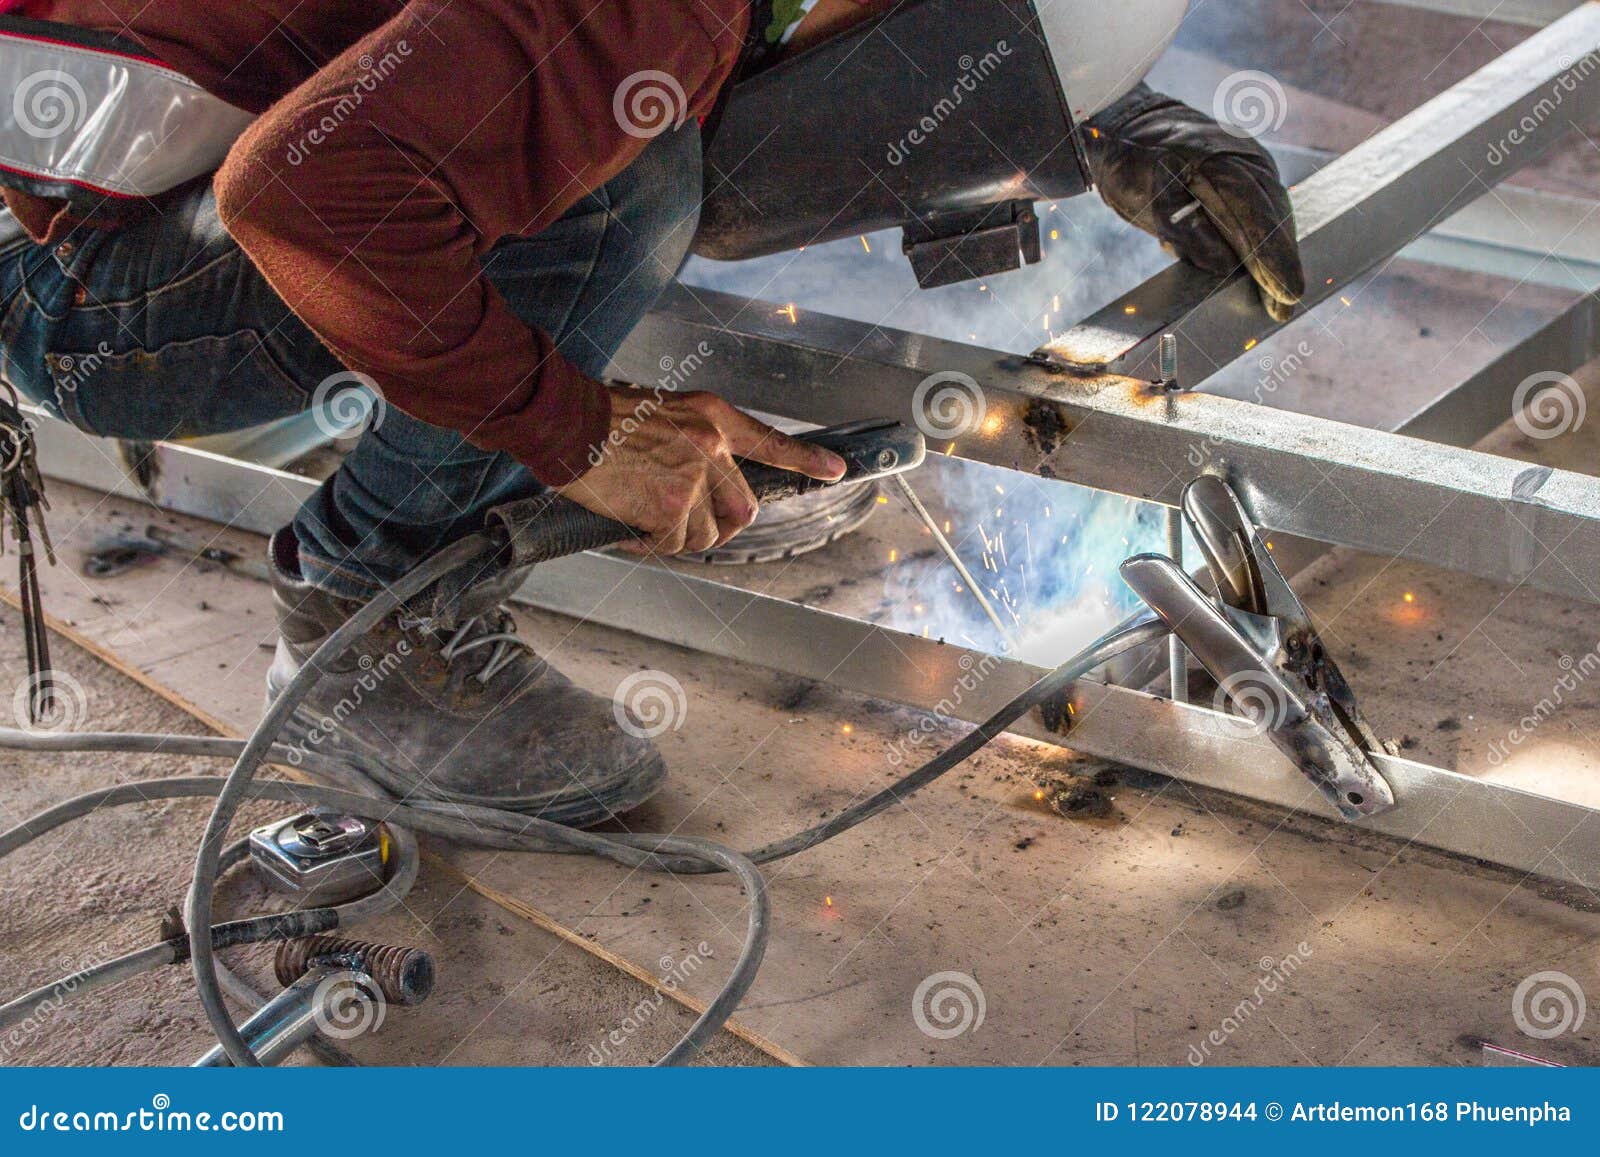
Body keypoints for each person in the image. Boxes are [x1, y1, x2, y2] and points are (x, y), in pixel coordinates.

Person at [0, 0, 1302, 825]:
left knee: (637, 128)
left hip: (151, 145)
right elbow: (297, 194)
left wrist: (1099, 118)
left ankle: (435, 431)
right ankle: (368, 613)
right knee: (636, 182)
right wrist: (576, 430)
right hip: (79, 280)